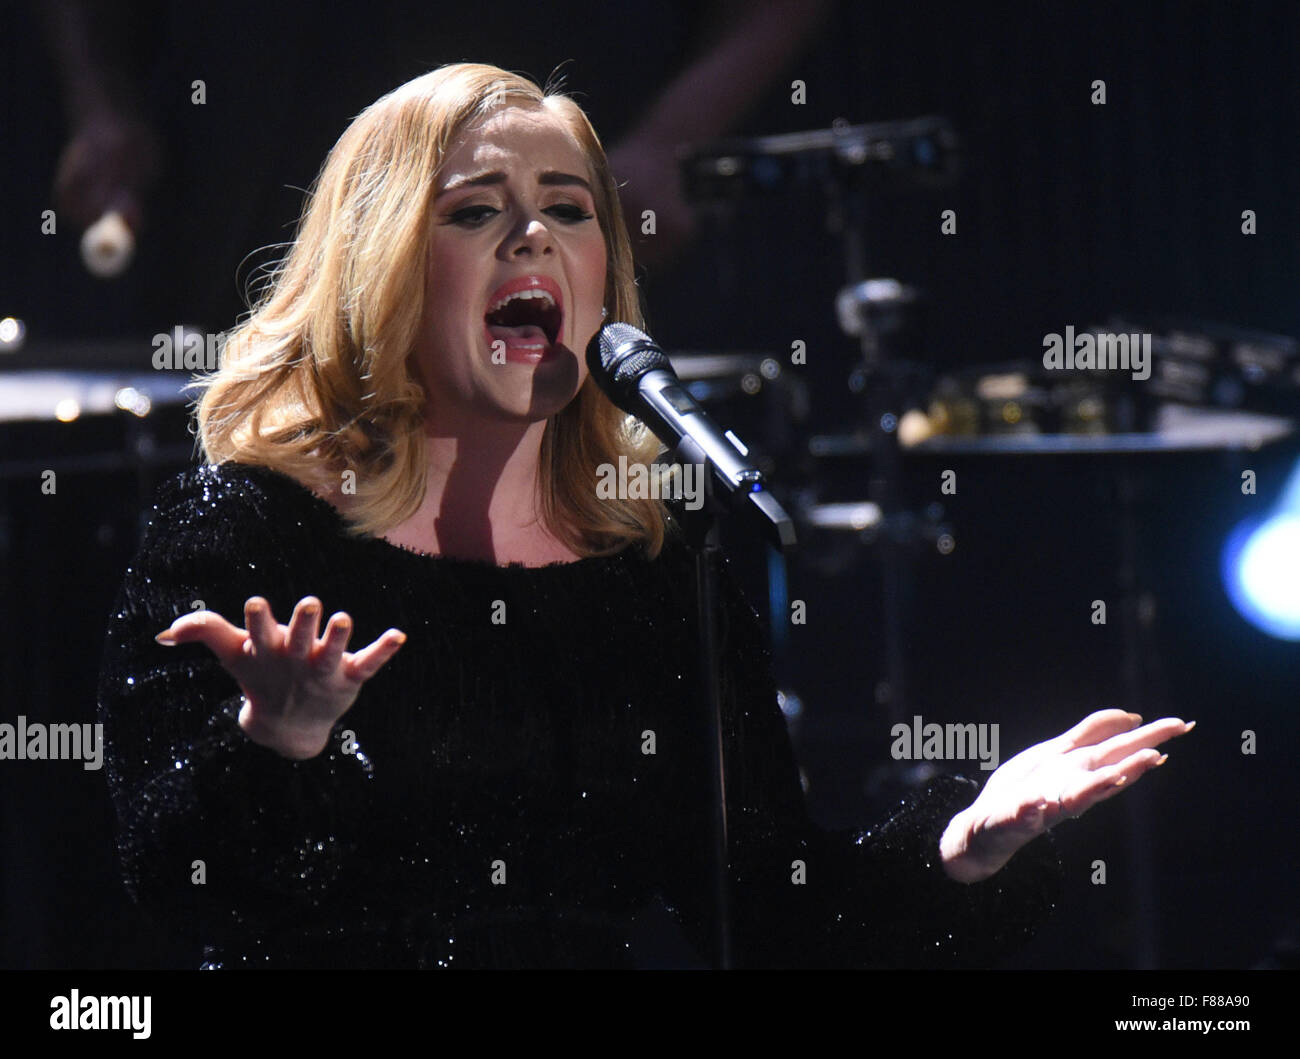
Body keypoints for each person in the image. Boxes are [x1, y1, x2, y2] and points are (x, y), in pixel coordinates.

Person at [96, 62, 1192, 969]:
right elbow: (177, 880)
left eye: (569, 211)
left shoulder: (652, 564)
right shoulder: (249, 529)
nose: (533, 236)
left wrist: (965, 840)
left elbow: (771, 911)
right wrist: (277, 741)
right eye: (478, 210)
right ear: (378, 263)